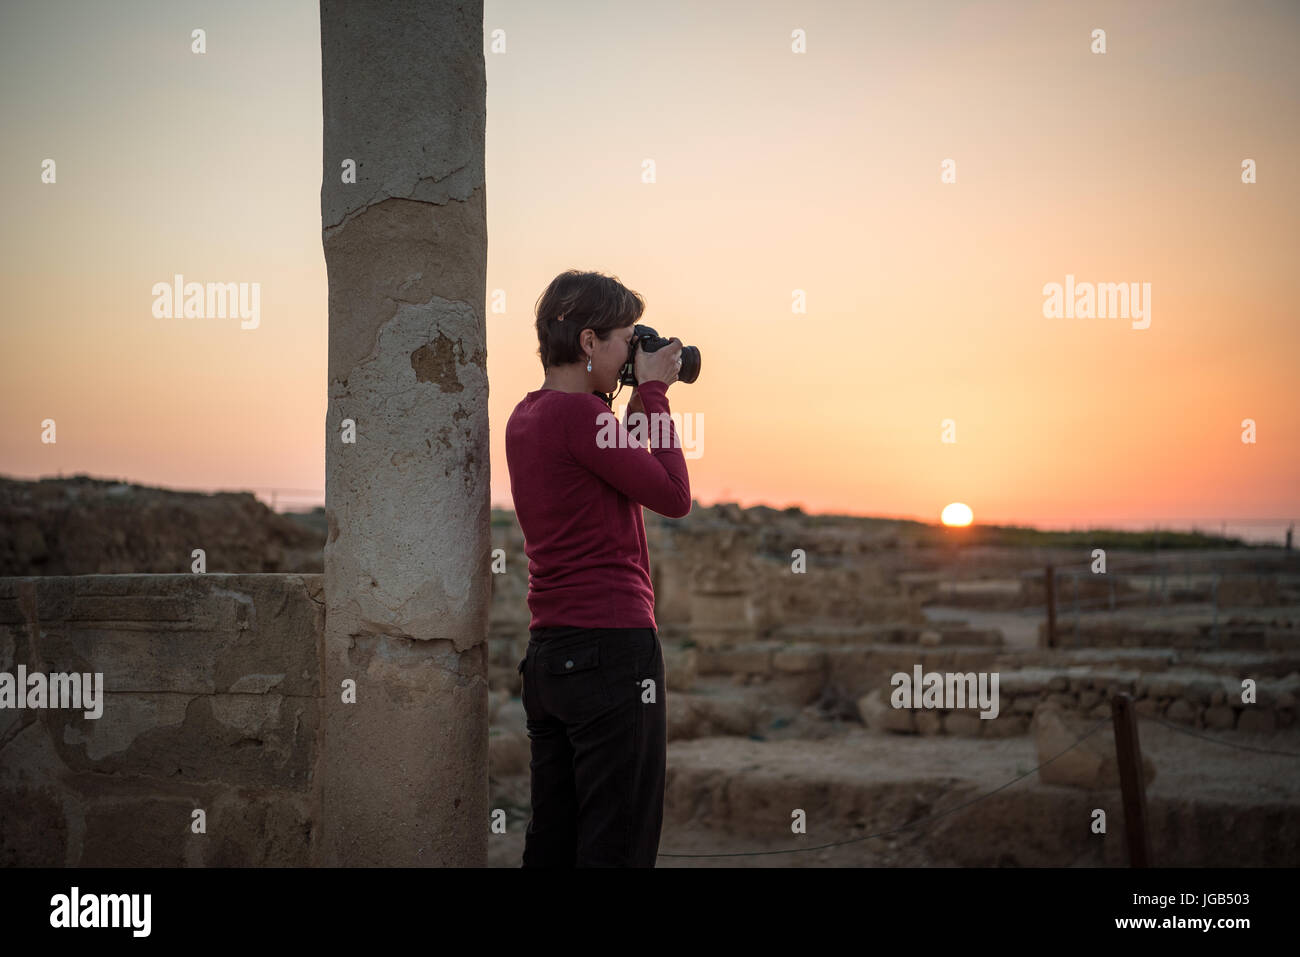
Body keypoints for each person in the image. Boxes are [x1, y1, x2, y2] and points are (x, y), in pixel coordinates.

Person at [504, 269, 690, 867]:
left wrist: (636, 391)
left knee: (554, 842)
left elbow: (618, 465)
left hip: (551, 657)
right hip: (612, 650)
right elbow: (672, 495)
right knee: (619, 844)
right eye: (624, 339)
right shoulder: (585, 421)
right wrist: (656, 392)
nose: (629, 353)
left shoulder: (528, 418)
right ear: (588, 342)